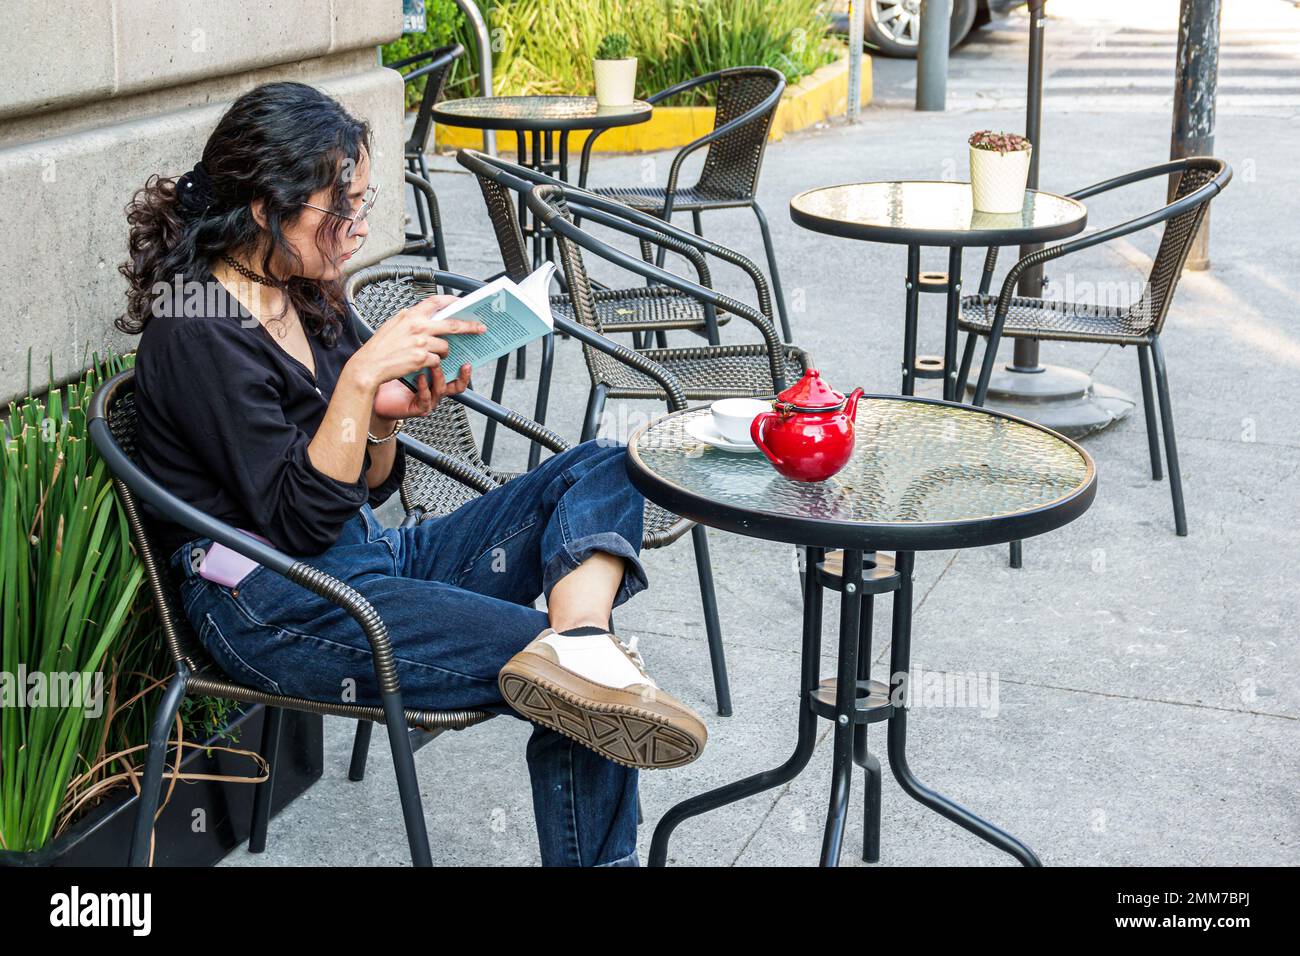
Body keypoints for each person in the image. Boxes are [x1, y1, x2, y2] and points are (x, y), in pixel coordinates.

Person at [118, 81, 707, 867]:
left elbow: (369, 488)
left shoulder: (300, 294)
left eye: (362, 205)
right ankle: (579, 666)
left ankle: (583, 637)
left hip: (366, 560)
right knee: (581, 697)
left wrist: (387, 417)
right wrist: (360, 381)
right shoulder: (194, 327)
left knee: (606, 466)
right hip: (270, 598)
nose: (356, 232)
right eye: (341, 211)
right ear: (264, 206)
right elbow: (296, 523)